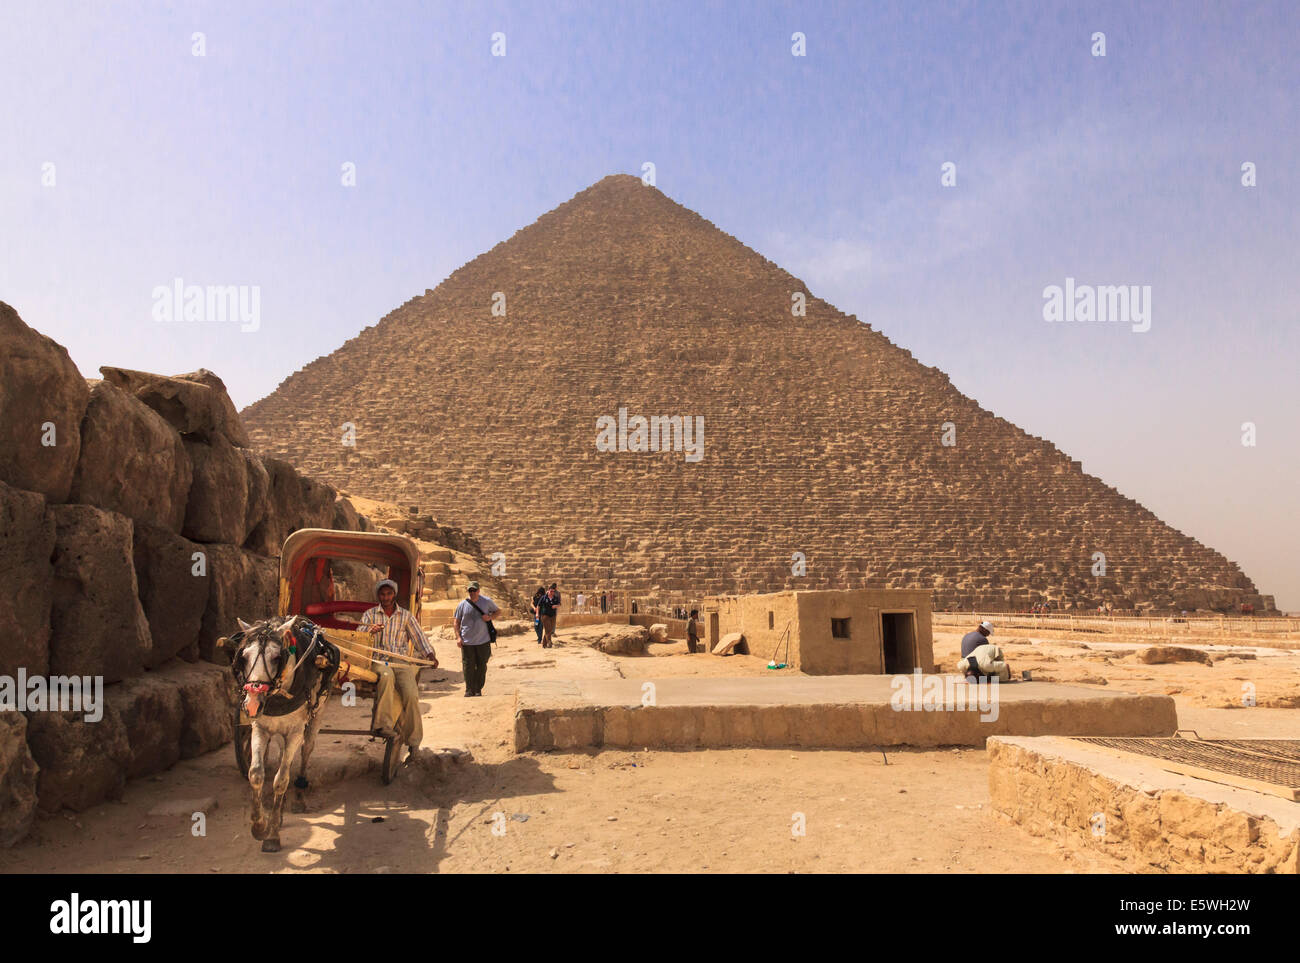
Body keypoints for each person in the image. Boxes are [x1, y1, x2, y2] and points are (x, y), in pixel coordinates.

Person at [360, 578, 437, 757]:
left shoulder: (406, 616)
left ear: (394, 595)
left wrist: (430, 655)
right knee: (385, 677)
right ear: (378, 596)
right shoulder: (370, 615)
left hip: (401, 661)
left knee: (411, 694)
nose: (385, 597)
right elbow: (359, 636)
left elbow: (419, 638)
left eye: (388, 594)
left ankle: (414, 741)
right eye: (382, 594)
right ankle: (383, 725)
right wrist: (369, 632)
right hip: (379, 660)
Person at [453, 581, 499, 697]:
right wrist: (458, 637)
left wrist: (489, 617)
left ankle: (478, 688)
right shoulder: (462, 604)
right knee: (468, 666)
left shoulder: (487, 602)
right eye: (470, 591)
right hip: (467, 642)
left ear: (478, 591)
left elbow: (498, 612)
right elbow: (456, 622)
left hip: (483, 641)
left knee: (481, 665)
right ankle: (469, 689)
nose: (472, 593)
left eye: (474, 590)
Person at [537, 582, 561, 648]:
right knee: (548, 629)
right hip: (545, 615)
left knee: (549, 629)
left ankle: (544, 644)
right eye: (551, 591)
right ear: (548, 590)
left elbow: (559, 604)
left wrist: (555, 606)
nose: (552, 592)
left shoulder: (555, 598)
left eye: (553, 591)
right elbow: (538, 606)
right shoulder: (543, 597)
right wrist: (537, 614)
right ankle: (549, 642)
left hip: (553, 615)